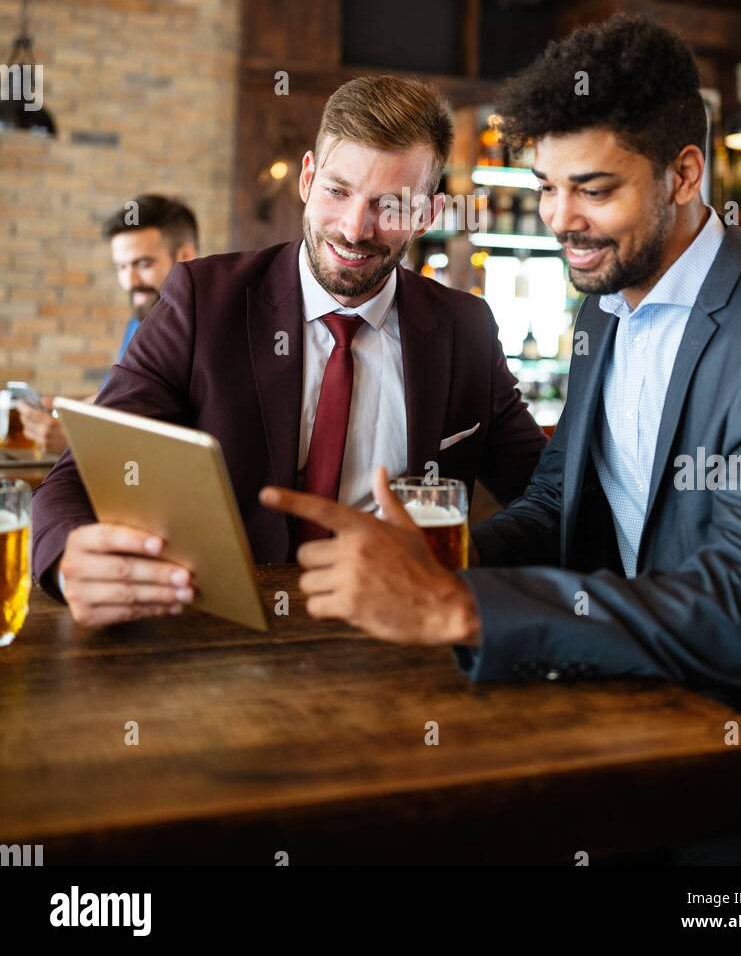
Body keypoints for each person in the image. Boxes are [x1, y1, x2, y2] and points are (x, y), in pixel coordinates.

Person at [265, 14, 741, 858]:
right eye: (546, 185)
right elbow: (558, 503)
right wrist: (437, 559)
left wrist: (458, 604)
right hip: (622, 710)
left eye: (594, 188)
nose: (560, 218)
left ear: (684, 174)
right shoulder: (603, 313)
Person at [31, 75, 545, 629]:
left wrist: (458, 560)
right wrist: (68, 558)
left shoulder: (465, 327)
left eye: (390, 205)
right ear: (307, 178)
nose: (354, 228)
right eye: (338, 191)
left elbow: (543, 495)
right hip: (221, 633)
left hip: (399, 639)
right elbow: (79, 474)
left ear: (427, 214)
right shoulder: (203, 300)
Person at [17, 195, 198, 455]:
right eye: (121, 267)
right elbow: (121, 395)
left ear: (185, 255)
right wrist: (64, 411)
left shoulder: (207, 334)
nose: (129, 281)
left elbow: (187, 442)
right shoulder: (140, 322)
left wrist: (81, 440)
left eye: (143, 264)